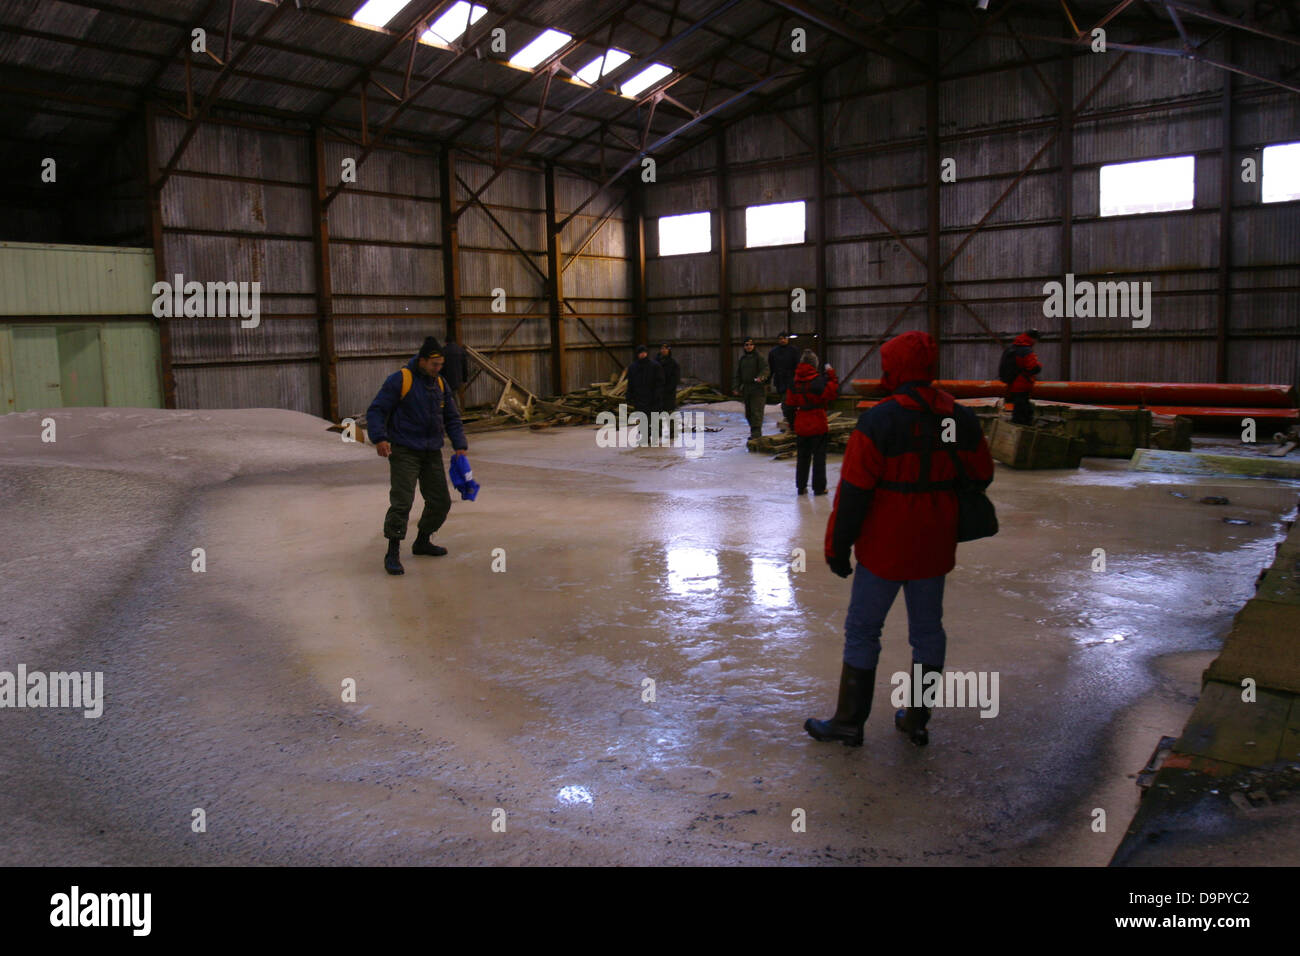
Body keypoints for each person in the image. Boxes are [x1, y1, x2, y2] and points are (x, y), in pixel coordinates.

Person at [806, 330, 994, 748]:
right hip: (935, 543)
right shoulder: (956, 418)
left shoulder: (879, 419)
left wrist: (837, 548)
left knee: (863, 629)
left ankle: (849, 722)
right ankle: (916, 721)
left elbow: (853, 492)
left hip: (885, 547)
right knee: (928, 631)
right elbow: (981, 474)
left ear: (894, 369)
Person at [365, 336, 469, 576]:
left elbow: (451, 417)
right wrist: (379, 438)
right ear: (422, 361)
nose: (438, 369)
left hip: (431, 451)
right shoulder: (401, 379)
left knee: (440, 501)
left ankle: (422, 541)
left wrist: (459, 444)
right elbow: (377, 410)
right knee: (402, 501)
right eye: (434, 365)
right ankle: (392, 552)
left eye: (441, 364)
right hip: (404, 450)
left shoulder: (440, 384)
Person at [785, 350, 839, 496]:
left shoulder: (794, 382)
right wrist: (832, 376)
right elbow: (833, 393)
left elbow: (789, 405)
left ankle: (801, 487)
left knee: (802, 457)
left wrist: (792, 423)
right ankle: (819, 488)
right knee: (819, 457)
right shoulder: (819, 381)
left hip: (801, 423)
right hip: (817, 423)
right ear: (815, 364)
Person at [999, 329, 1042, 426]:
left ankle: (1020, 426)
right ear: (1033, 338)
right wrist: (1039, 366)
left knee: (1020, 407)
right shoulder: (1026, 350)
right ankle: (1021, 430)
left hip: (1013, 383)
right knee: (1022, 411)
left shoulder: (1013, 348)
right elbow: (1033, 368)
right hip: (1023, 384)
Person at [625, 344, 664, 446]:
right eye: (640, 353)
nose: (642, 354)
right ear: (637, 354)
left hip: (652, 396)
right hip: (639, 397)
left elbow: (659, 382)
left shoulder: (655, 366)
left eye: (644, 352)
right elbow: (630, 383)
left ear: (647, 353)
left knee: (653, 417)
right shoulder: (633, 367)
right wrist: (629, 395)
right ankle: (645, 437)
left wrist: (658, 394)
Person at [732, 338, 769, 440]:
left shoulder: (759, 357)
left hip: (758, 388)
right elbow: (738, 375)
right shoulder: (743, 359)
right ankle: (754, 432)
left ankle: (756, 435)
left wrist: (761, 377)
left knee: (756, 412)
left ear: (754, 346)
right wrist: (736, 387)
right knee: (748, 413)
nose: (749, 346)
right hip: (747, 388)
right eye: (746, 345)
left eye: (751, 345)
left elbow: (765, 369)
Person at [768, 332, 801, 431]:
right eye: (781, 338)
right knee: (784, 402)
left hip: (792, 380)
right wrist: (767, 381)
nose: (783, 340)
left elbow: (798, 365)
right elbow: (771, 367)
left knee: (790, 402)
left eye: (784, 338)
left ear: (787, 339)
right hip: (780, 381)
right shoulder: (773, 352)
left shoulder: (794, 350)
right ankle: (789, 420)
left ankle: (792, 421)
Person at [655, 343, 682, 441]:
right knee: (657, 412)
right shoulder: (655, 362)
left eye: (666, 348)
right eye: (662, 348)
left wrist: (668, 389)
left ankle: (672, 432)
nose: (664, 350)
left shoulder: (673, 363)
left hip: (668, 393)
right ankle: (657, 431)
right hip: (657, 392)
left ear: (669, 350)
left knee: (669, 412)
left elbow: (675, 379)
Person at [442, 335, 470, 406]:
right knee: (455, 393)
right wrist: (465, 378)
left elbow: (441, 367)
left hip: (447, 377)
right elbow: (464, 365)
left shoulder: (443, 351)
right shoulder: (460, 350)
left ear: (446, 342)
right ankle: (458, 409)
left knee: (450, 395)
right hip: (458, 377)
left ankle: (456, 410)